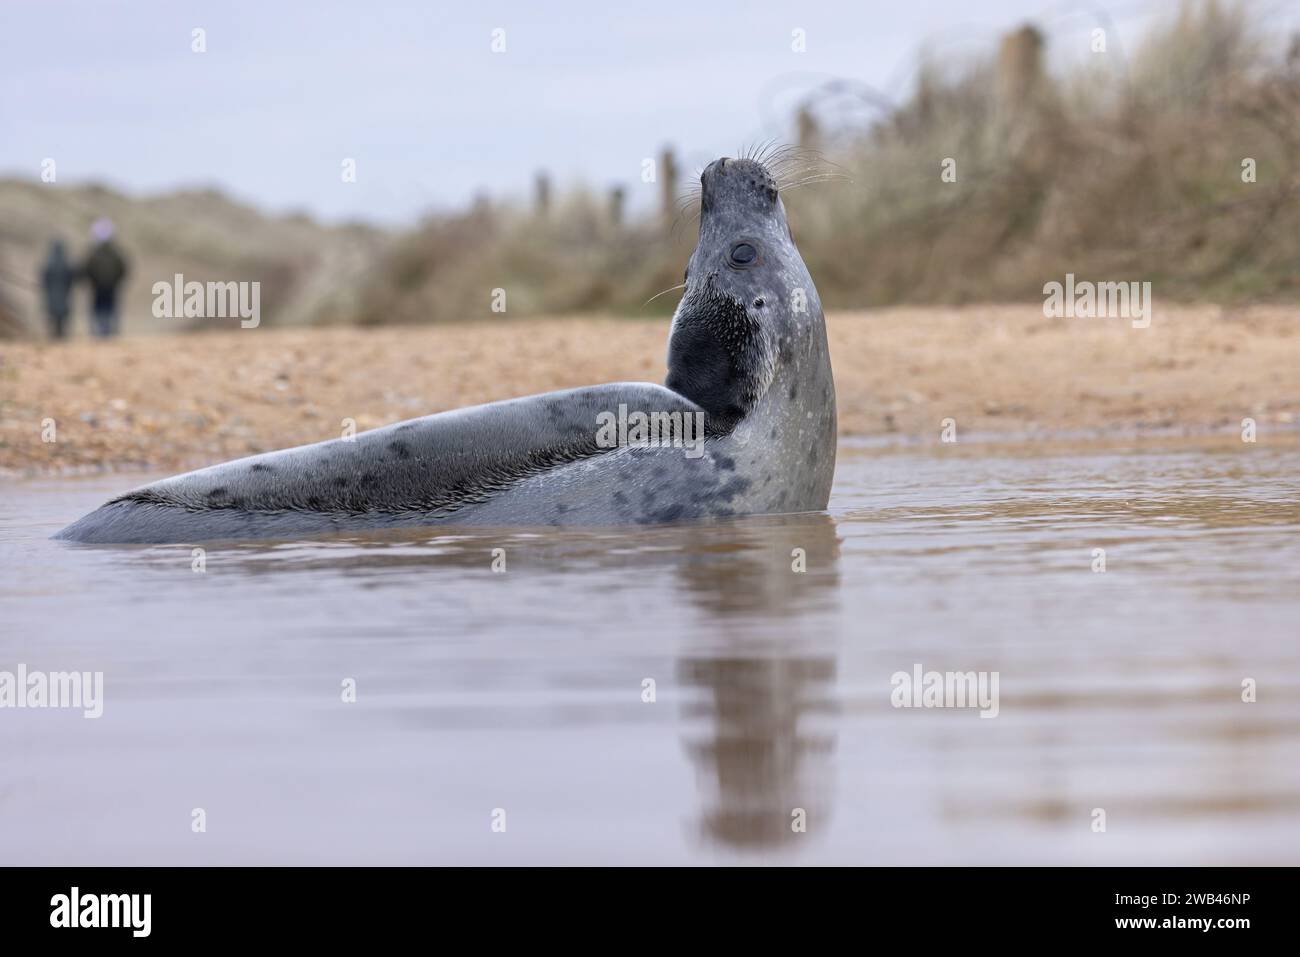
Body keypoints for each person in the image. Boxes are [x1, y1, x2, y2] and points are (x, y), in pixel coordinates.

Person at [82, 219, 129, 338]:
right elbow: (123, 268)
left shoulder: (94, 253)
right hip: (111, 287)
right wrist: (117, 281)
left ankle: (100, 331)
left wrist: (91, 281)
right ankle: (108, 330)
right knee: (110, 307)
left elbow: (87, 269)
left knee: (99, 308)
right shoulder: (115, 252)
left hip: (98, 287)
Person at [40, 239, 76, 340]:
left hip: (52, 293)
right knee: (62, 316)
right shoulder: (66, 263)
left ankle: (55, 335)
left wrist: (47, 289)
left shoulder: (48, 263)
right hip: (63, 293)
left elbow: (44, 278)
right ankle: (60, 334)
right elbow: (71, 278)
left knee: (53, 315)